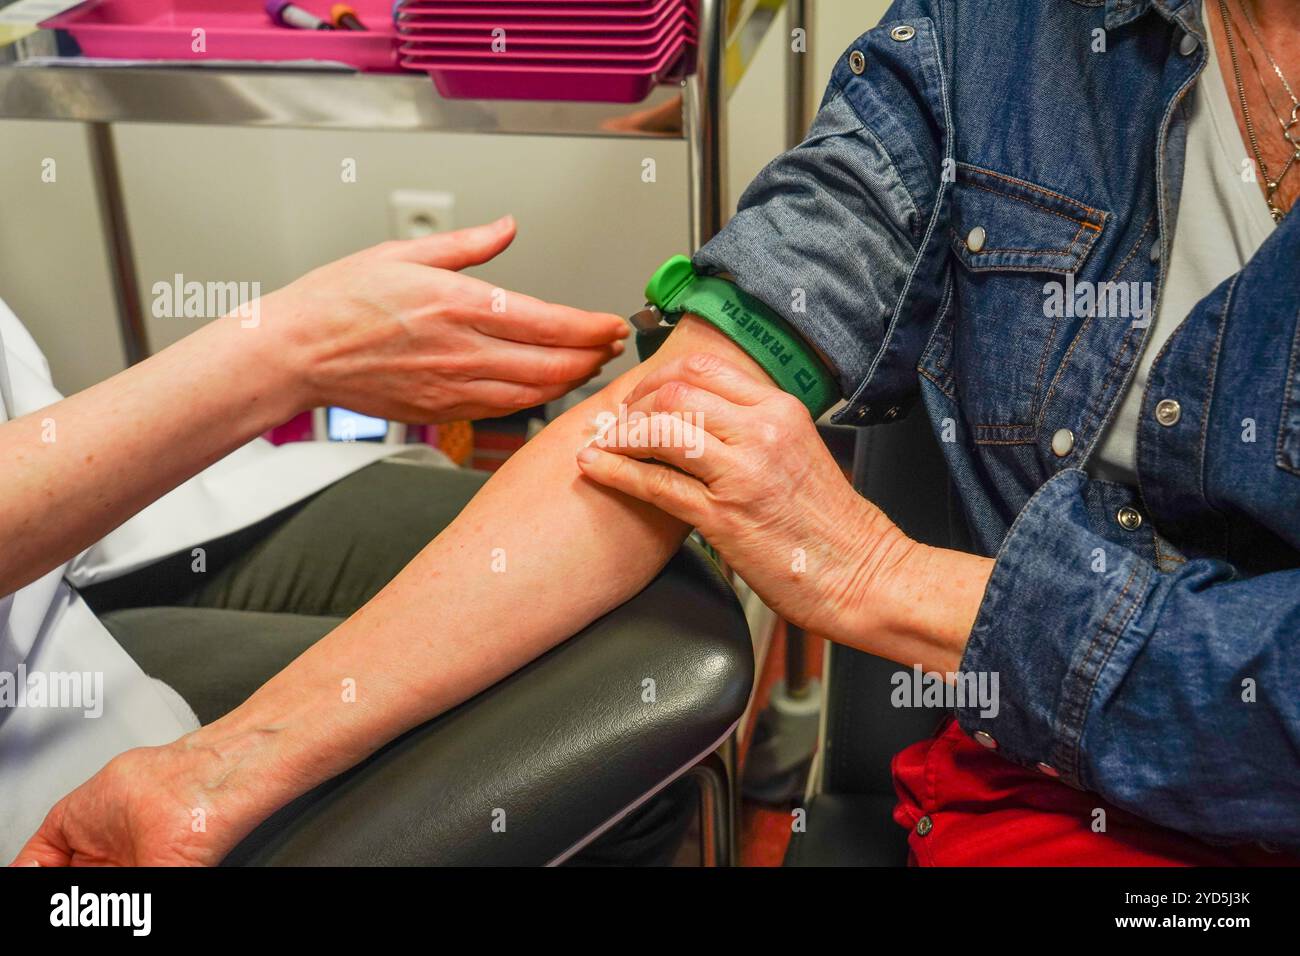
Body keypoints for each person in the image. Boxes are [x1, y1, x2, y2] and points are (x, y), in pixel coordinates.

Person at [13, 0, 1300, 866]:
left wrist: (878, 573)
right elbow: (677, 409)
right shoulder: (1002, 36)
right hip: (1042, 777)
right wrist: (211, 776)